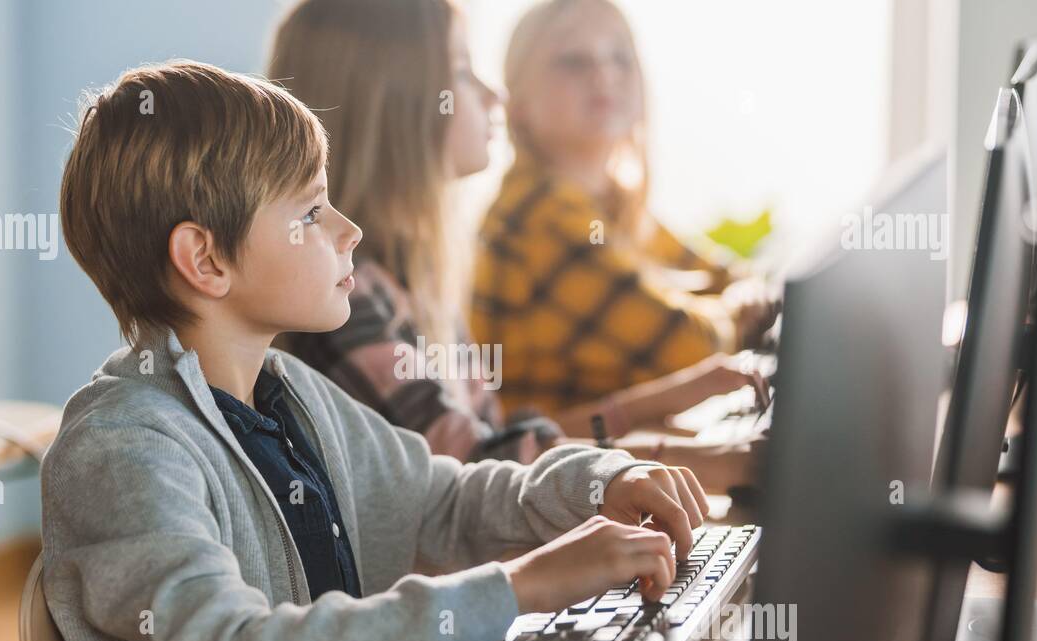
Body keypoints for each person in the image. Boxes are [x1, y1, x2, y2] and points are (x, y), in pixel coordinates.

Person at [44, 60, 708, 641]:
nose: (348, 229)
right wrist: (516, 587)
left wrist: (599, 482)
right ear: (206, 260)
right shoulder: (123, 449)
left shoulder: (291, 393)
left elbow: (443, 503)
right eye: (311, 209)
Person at [270, 0, 766, 485]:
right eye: (463, 70)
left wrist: (666, 402)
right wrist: (710, 461)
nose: (496, 96)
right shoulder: (346, 295)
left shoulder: (414, 274)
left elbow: (501, 436)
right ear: (392, 101)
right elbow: (478, 474)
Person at [472, 0, 779, 431]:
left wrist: (740, 292)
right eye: (573, 61)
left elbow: (724, 273)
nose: (604, 74)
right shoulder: (539, 214)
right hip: (550, 483)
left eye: (619, 57)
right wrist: (735, 306)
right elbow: (687, 343)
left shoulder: (610, 201)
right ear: (517, 103)